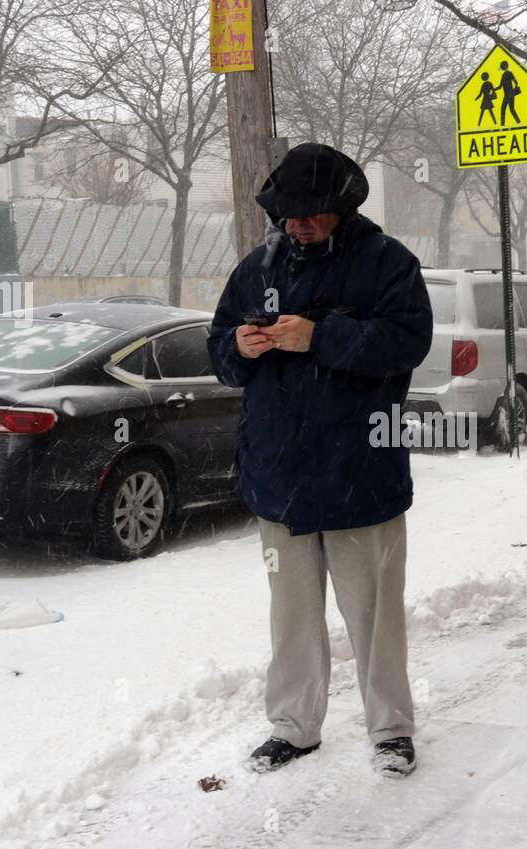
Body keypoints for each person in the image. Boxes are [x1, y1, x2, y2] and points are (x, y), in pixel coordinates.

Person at [206, 143, 433, 778]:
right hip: (278, 476)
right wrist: (239, 347)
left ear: (340, 206)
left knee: (374, 615)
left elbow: (408, 341)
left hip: (360, 473)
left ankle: (391, 729)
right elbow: (217, 344)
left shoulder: (387, 263)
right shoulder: (259, 266)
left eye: (308, 212)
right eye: (286, 213)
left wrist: (320, 336)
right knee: (292, 616)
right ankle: (294, 728)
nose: (295, 223)